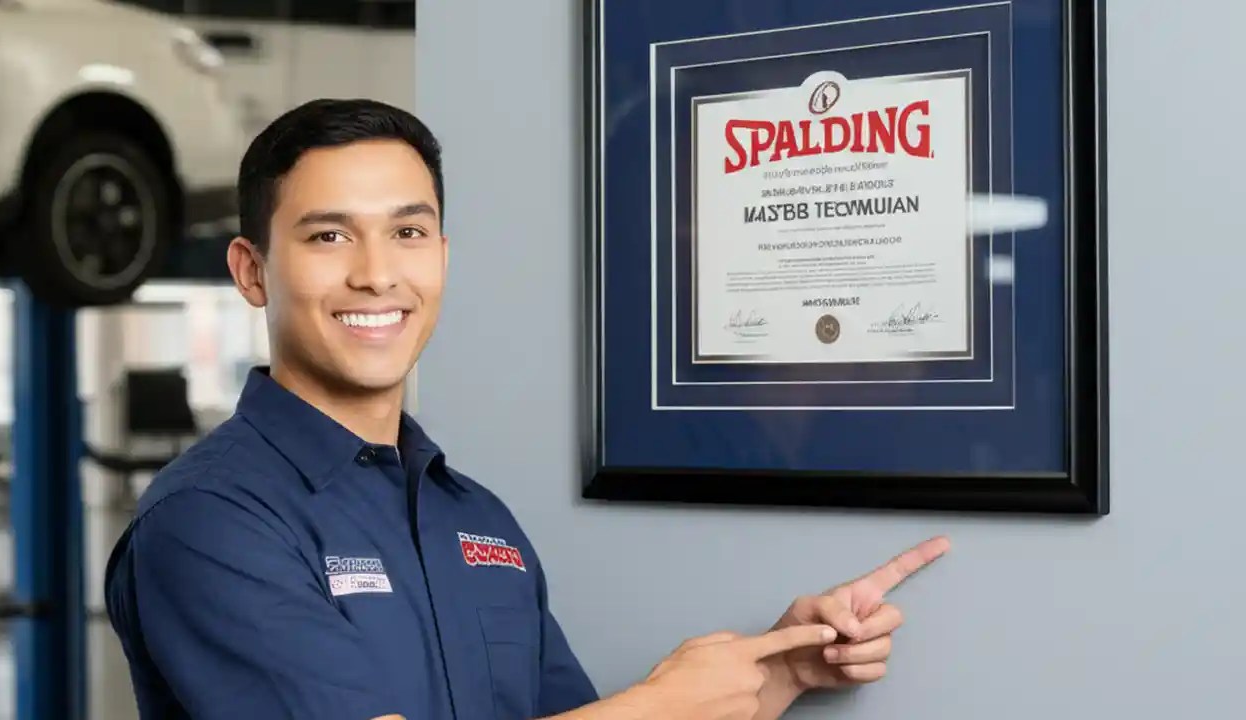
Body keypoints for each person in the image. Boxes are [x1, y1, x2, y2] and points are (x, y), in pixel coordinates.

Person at [103, 98, 951, 720]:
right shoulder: (210, 522)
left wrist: (781, 672)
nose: (377, 273)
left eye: (407, 232)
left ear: (441, 256)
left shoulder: (476, 521)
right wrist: (662, 702)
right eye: (329, 235)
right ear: (251, 270)